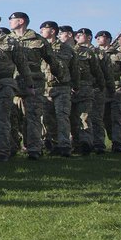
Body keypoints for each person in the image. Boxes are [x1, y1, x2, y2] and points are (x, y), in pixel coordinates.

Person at [0, 11, 34, 162]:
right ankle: (3, 146)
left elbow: (22, 64)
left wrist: (29, 84)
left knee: (3, 118)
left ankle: (2, 152)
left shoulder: (10, 41)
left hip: (5, 84)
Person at [10, 12, 60, 160]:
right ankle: (13, 146)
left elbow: (52, 60)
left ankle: (34, 148)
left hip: (34, 82)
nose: (10, 22)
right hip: (14, 81)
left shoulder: (38, 40)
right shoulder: (7, 39)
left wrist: (61, 78)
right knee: (13, 116)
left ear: (21, 21)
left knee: (32, 116)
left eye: (12, 20)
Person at [40, 21, 77, 157]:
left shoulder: (66, 49)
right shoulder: (40, 47)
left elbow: (74, 68)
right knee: (48, 118)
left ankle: (65, 145)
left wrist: (75, 85)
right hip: (45, 88)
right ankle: (54, 144)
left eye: (45, 29)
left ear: (53, 31)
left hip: (62, 87)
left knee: (62, 116)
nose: (42, 31)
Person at [69, 28, 107, 155]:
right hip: (70, 89)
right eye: (77, 35)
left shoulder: (90, 52)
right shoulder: (66, 51)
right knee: (73, 119)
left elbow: (98, 71)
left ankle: (88, 143)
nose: (78, 37)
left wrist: (102, 86)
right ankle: (76, 144)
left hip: (87, 88)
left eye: (81, 35)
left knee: (86, 117)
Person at [95, 30, 121, 152]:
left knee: (116, 117)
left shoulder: (119, 55)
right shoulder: (94, 54)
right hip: (100, 88)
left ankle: (117, 143)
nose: (99, 39)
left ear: (109, 39)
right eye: (98, 38)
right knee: (100, 118)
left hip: (116, 88)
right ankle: (99, 142)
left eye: (102, 37)